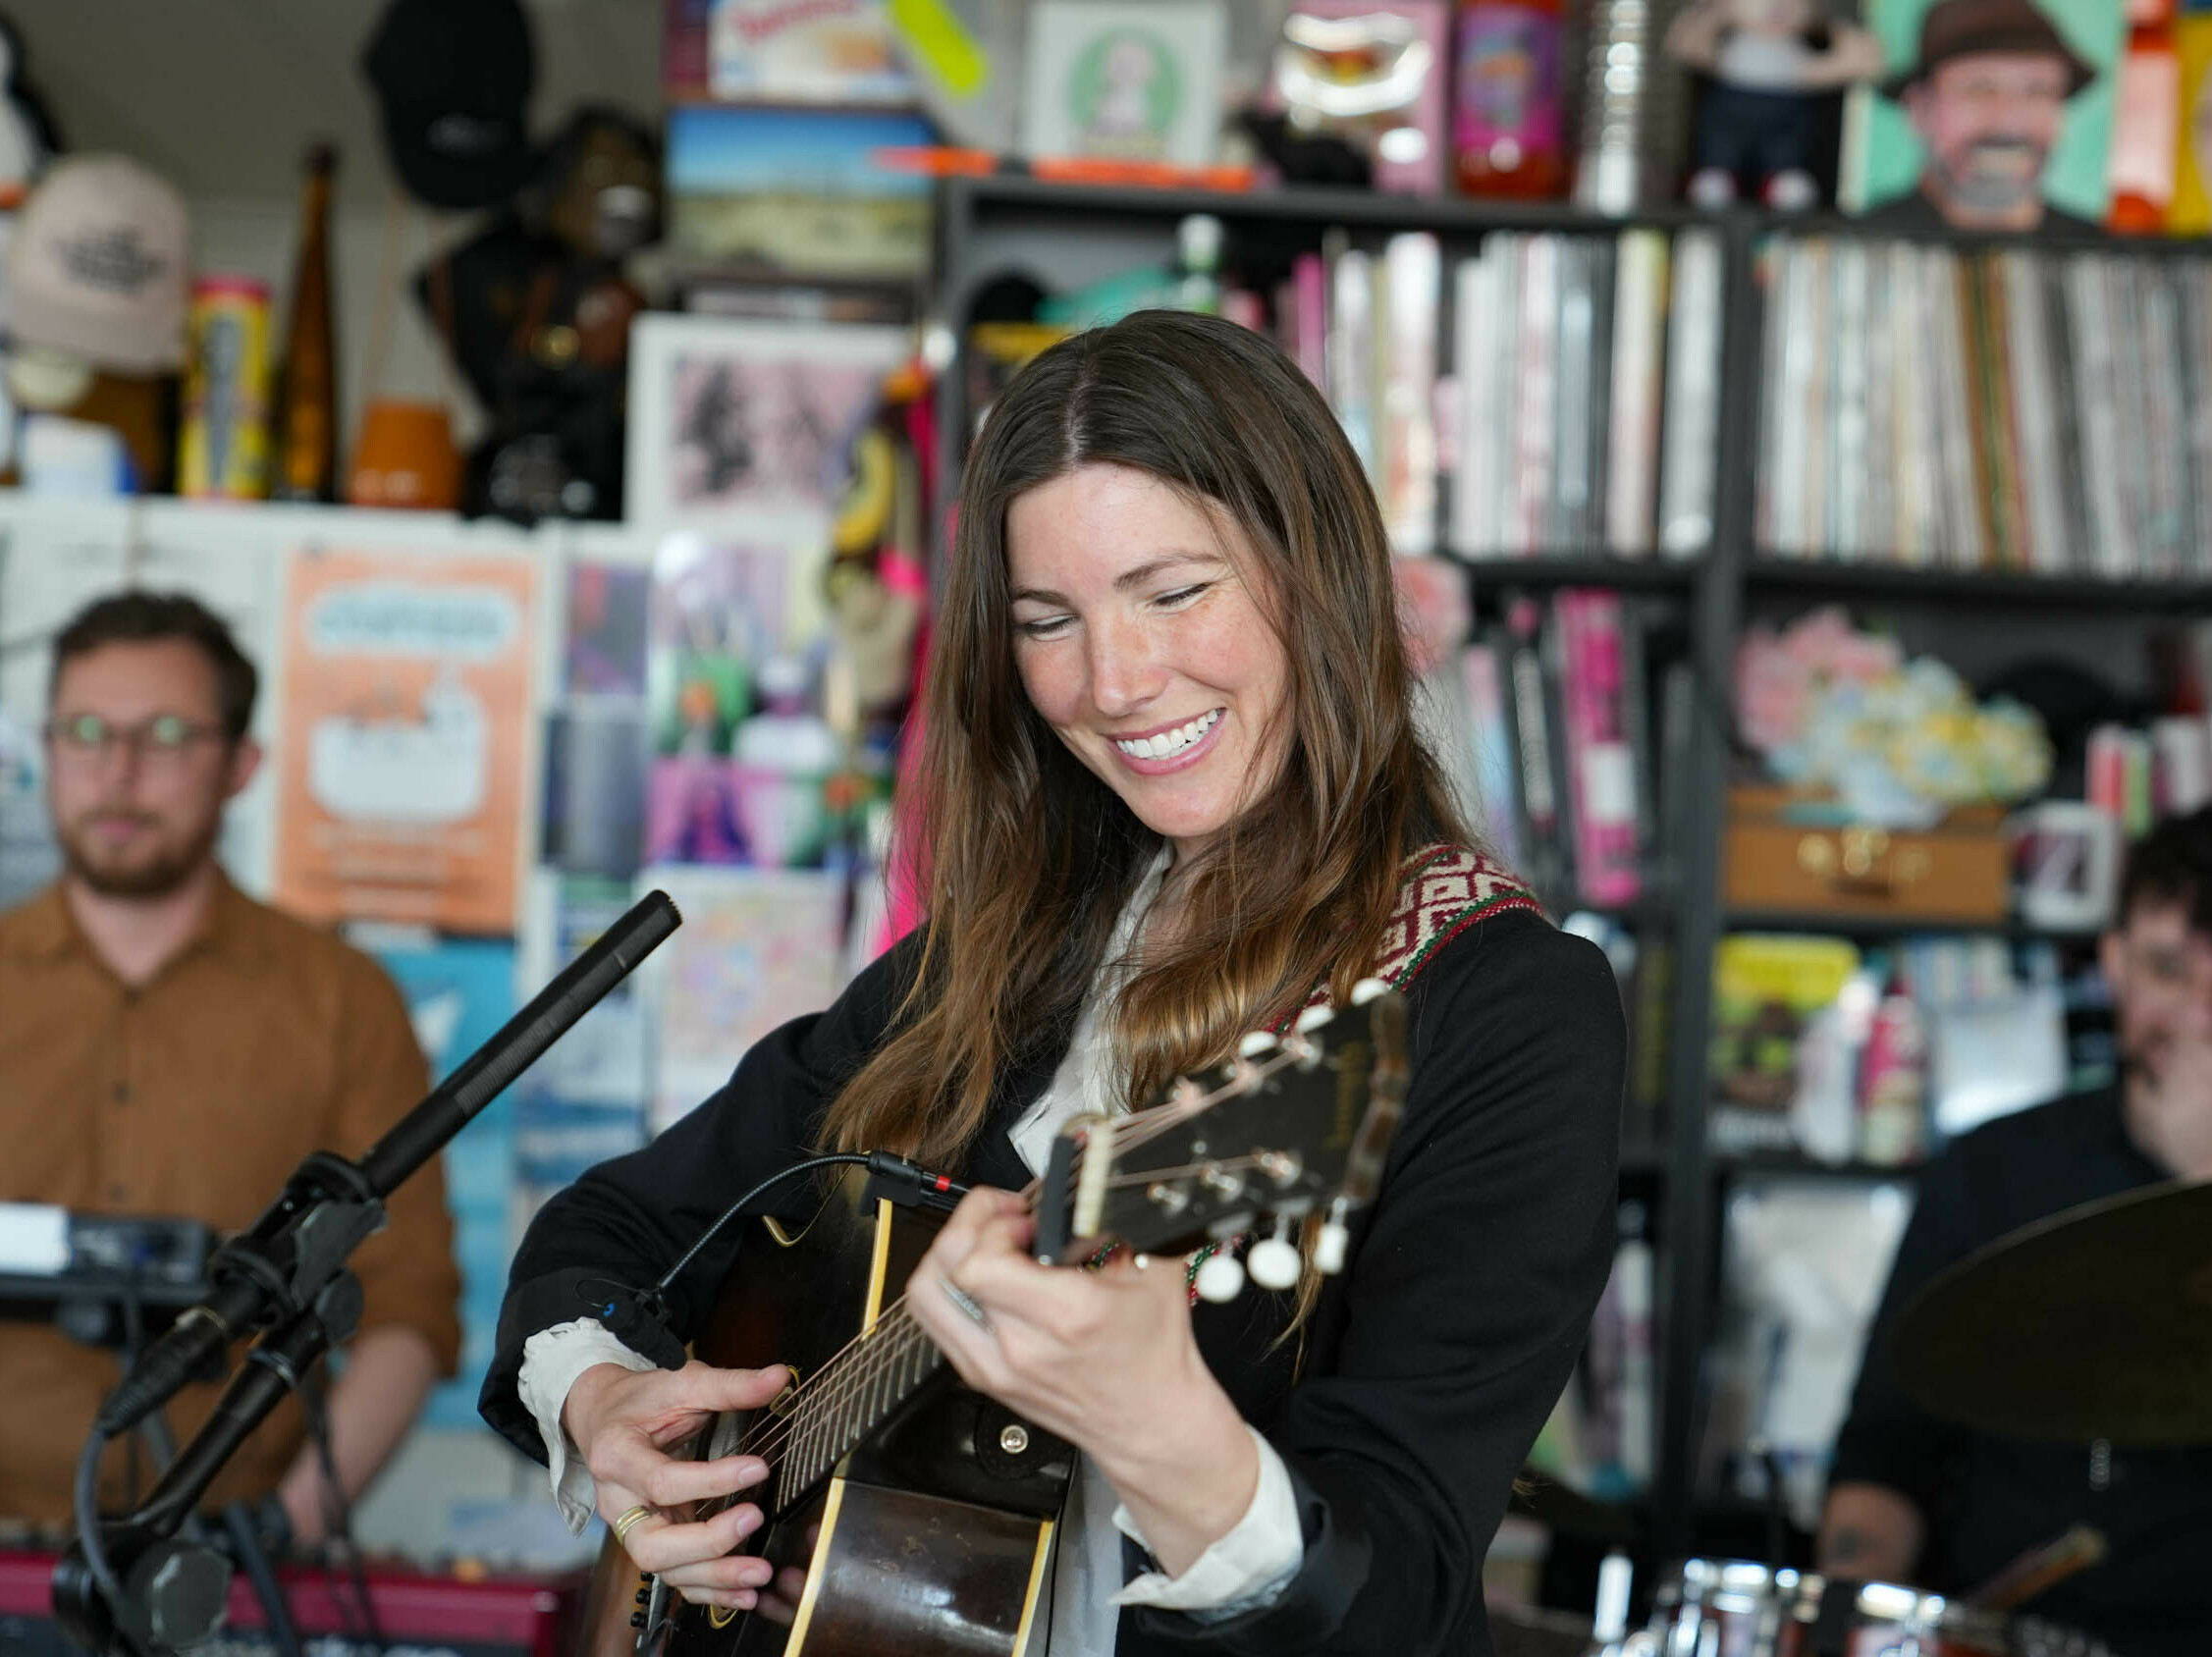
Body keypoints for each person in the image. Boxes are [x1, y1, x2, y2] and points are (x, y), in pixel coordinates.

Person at [478, 309, 1624, 1655]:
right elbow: (612, 1230)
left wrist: (1164, 1426)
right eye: (1048, 621)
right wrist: (606, 1402)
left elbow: (1404, 1590)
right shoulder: (1007, 956)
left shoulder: (1500, 1007)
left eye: (1173, 591)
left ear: (1317, 574)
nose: (1116, 682)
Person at [0, 591, 461, 1541]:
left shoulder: (343, 999)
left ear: (240, 765)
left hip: (228, 1557)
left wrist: (278, 1537)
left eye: (167, 735)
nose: (118, 771)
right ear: (45, 750)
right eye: (85, 732)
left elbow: (407, 1307)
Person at [1821, 808, 2212, 1655]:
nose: (2197, 1015)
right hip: (2009, 1635)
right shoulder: (1994, 1169)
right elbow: (1885, 1451)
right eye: (2167, 969)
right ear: (2112, 962)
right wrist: (1849, 1626)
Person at [1858, 0, 2103, 236]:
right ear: (1918, 108)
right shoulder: (1848, 246)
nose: (2009, 123)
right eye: (1980, 90)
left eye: (2038, 91)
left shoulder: (2109, 254)